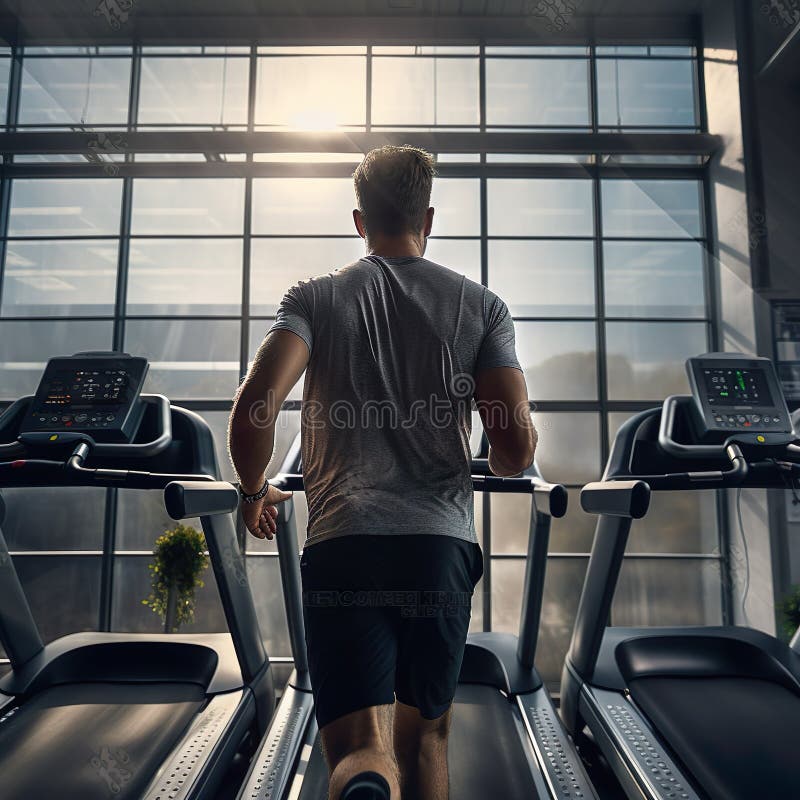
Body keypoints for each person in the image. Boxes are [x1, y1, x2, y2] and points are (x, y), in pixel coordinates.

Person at [228, 145, 536, 800]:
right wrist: (504, 455)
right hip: (437, 549)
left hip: (344, 547)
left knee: (360, 748)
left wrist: (254, 490)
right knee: (425, 740)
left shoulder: (314, 297)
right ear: (428, 215)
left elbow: (255, 407)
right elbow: (513, 448)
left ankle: (365, 781)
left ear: (359, 220)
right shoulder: (482, 306)